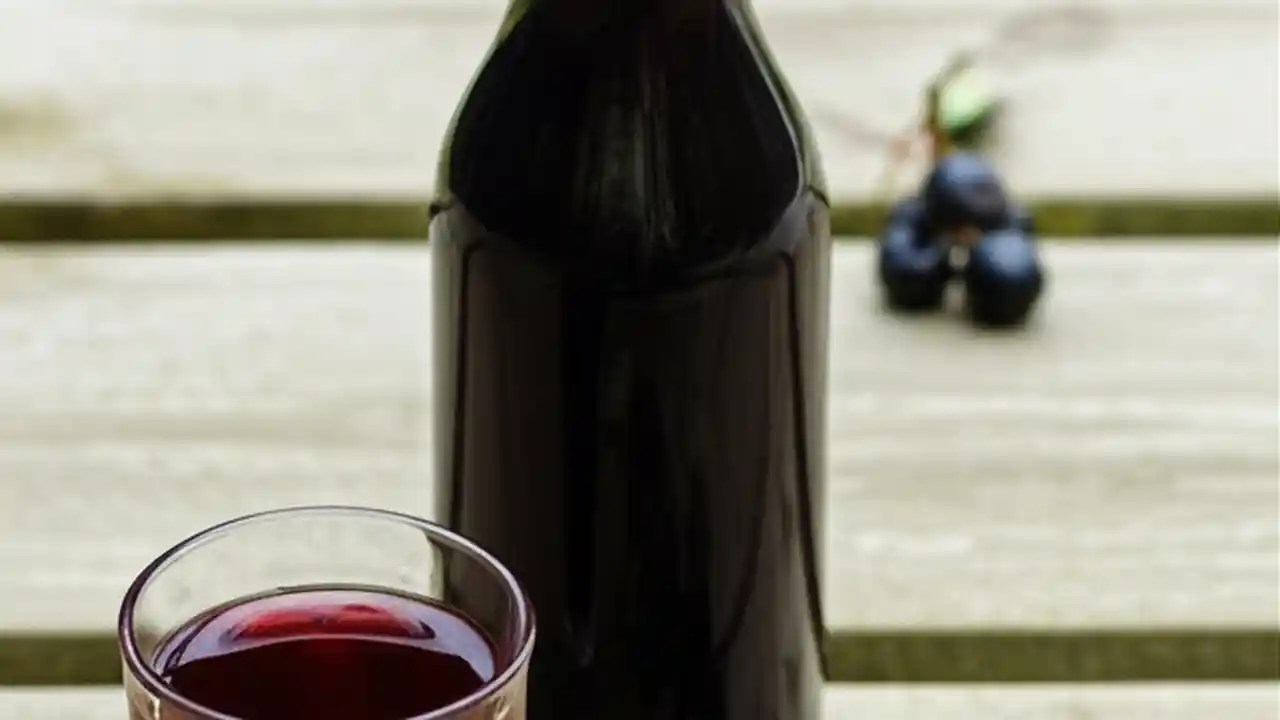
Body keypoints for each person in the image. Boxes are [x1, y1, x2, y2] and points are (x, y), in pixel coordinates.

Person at [879, 152, 1043, 326]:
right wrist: (944, 248)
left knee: (1007, 271)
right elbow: (904, 270)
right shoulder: (1008, 219)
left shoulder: (1008, 221)